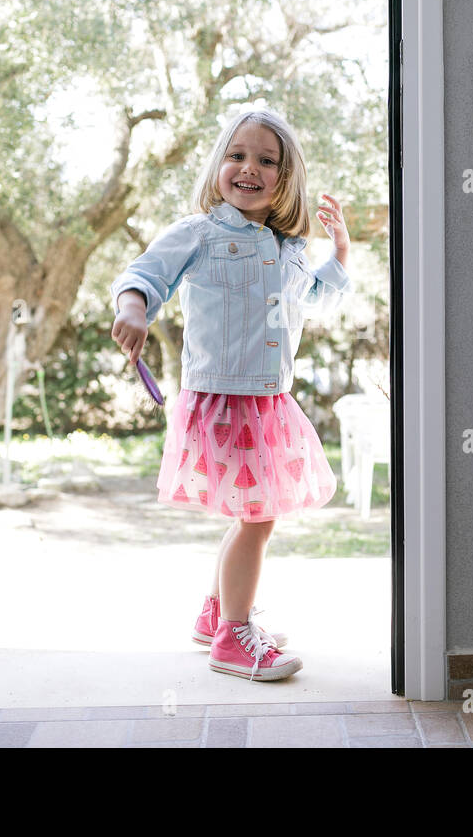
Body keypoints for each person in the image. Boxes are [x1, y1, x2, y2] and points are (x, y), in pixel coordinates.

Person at [109, 108, 352, 681]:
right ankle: (232, 639)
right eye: (237, 155)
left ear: (286, 176)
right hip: (223, 401)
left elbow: (314, 297)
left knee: (252, 515)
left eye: (267, 160)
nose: (249, 168)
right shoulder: (200, 233)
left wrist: (339, 252)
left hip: (266, 402)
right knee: (259, 518)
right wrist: (132, 310)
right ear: (219, 164)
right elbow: (144, 275)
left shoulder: (287, 245)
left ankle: (218, 613)